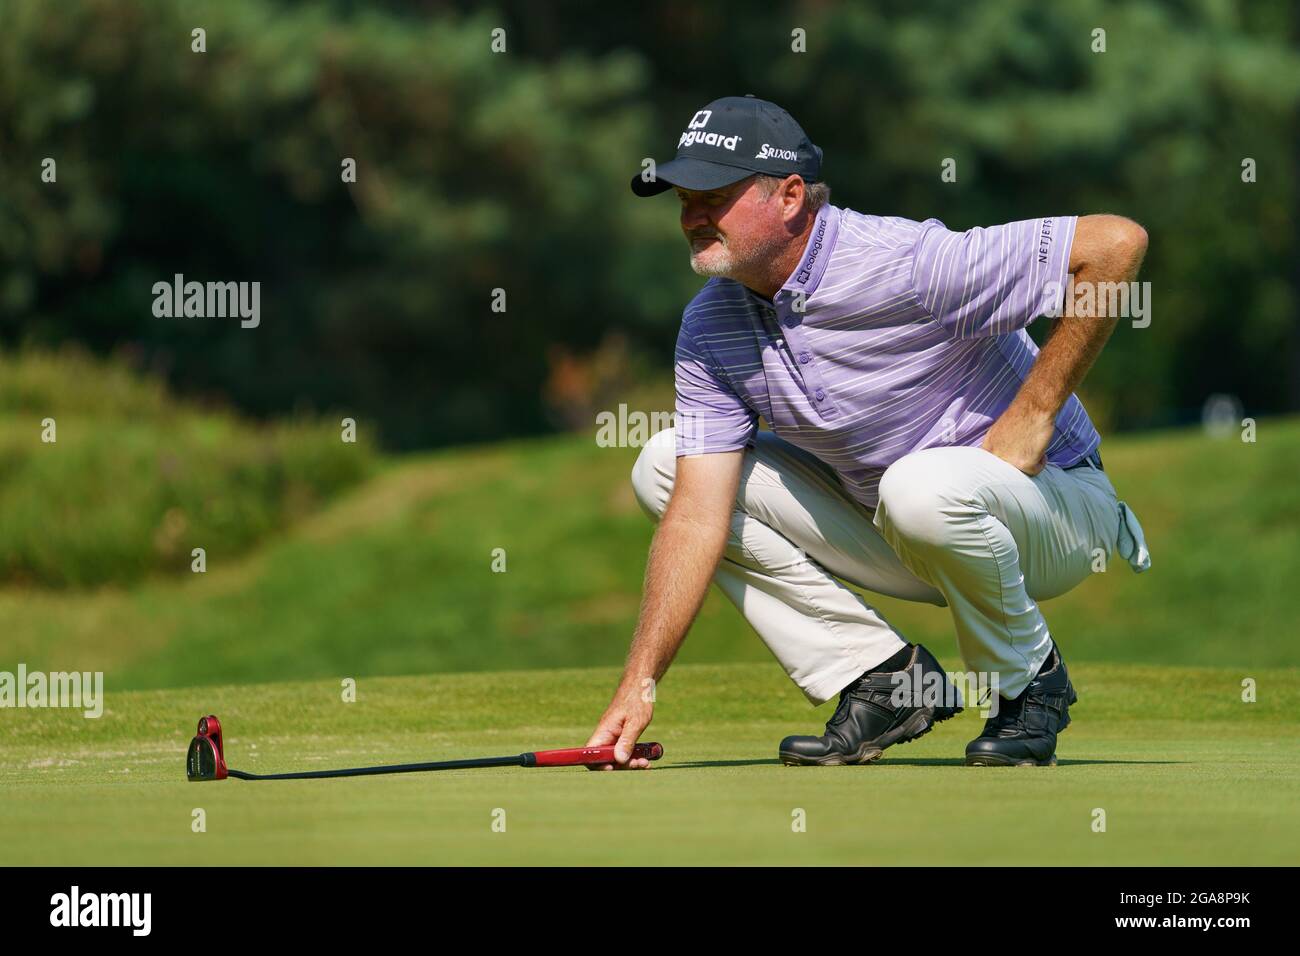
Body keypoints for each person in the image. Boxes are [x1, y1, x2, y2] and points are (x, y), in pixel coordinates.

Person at [585, 95, 1151, 770]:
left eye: (715, 195)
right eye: (685, 198)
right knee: (661, 465)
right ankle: (883, 679)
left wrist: (1034, 412)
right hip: (899, 521)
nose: (693, 216)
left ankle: (1028, 682)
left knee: (919, 488)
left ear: (790, 195)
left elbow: (1116, 247)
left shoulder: (906, 263)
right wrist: (638, 685)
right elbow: (695, 517)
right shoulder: (710, 329)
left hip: (1052, 509)